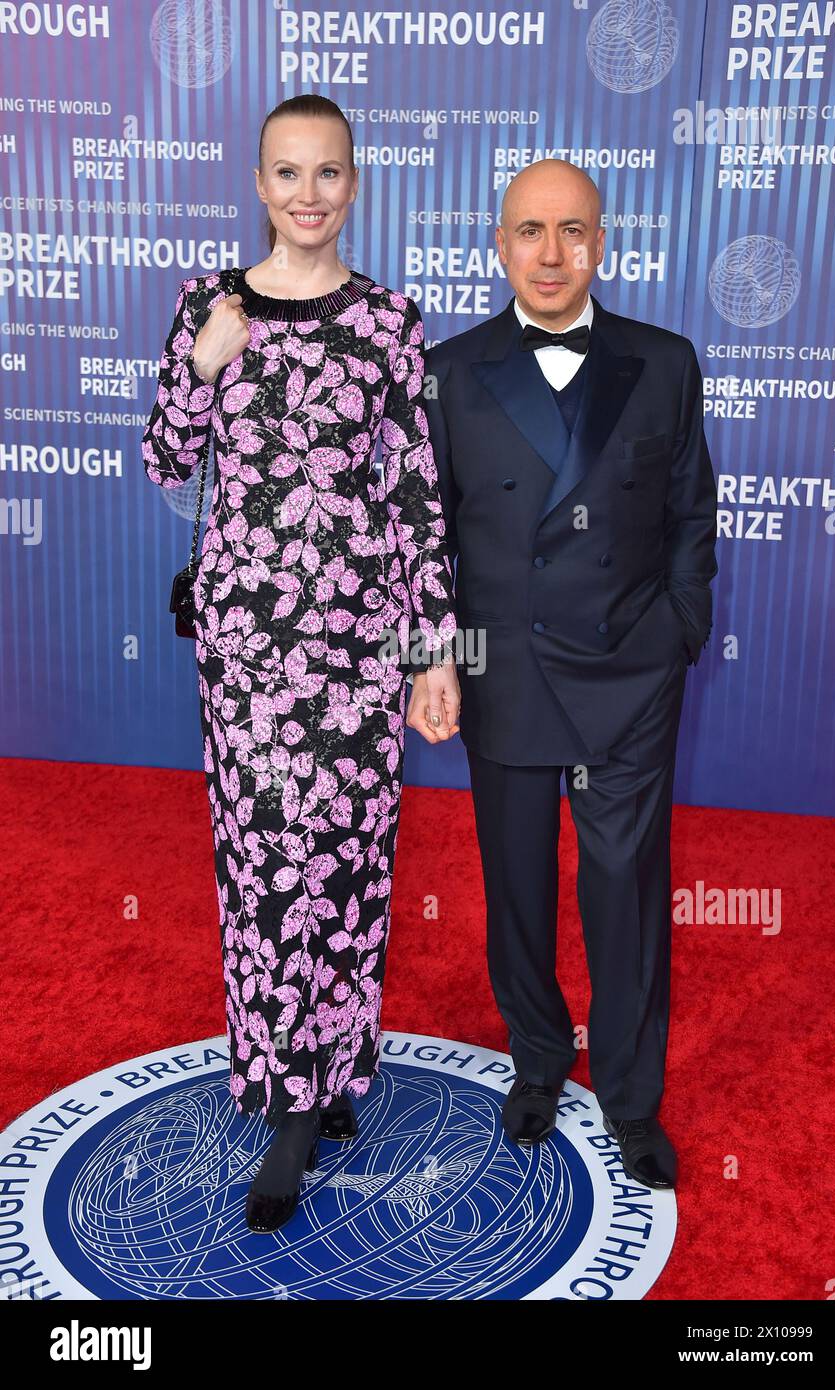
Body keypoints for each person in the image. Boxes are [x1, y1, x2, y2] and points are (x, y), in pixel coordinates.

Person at [142, 94, 460, 1234]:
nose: (308, 194)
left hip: (358, 638)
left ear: (356, 185)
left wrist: (432, 649)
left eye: (328, 173)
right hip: (245, 636)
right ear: (258, 184)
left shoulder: (387, 321)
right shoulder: (206, 307)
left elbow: (418, 493)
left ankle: (336, 1067)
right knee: (264, 852)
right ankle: (282, 1094)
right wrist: (204, 366)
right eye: (287, 172)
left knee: (351, 850)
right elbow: (166, 459)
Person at [418, 159, 718, 1189]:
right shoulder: (449, 371)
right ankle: (540, 1058)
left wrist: (680, 625)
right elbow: (425, 540)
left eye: (572, 231)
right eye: (529, 232)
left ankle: (631, 1099)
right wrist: (437, 658)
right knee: (515, 882)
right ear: (497, 245)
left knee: (624, 888)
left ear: (604, 242)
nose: (550, 254)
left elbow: (689, 515)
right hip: (499, 661)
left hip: (630, 670)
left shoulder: (663, 361)